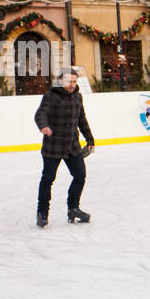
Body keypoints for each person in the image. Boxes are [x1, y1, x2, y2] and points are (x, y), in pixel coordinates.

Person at [34, 68, 95, 227]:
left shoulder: (77, 96)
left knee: (80, 176)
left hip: (72, 145)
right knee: (48, 179)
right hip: (53, 145)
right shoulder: (51, 96)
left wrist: (89, 138)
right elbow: (40, 114)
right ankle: (42, 213)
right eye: (69, 81)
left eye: (74, 81)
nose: (72, 85)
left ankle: (73, 208)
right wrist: (43, 126)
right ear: (60, 80)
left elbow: (82, 119)